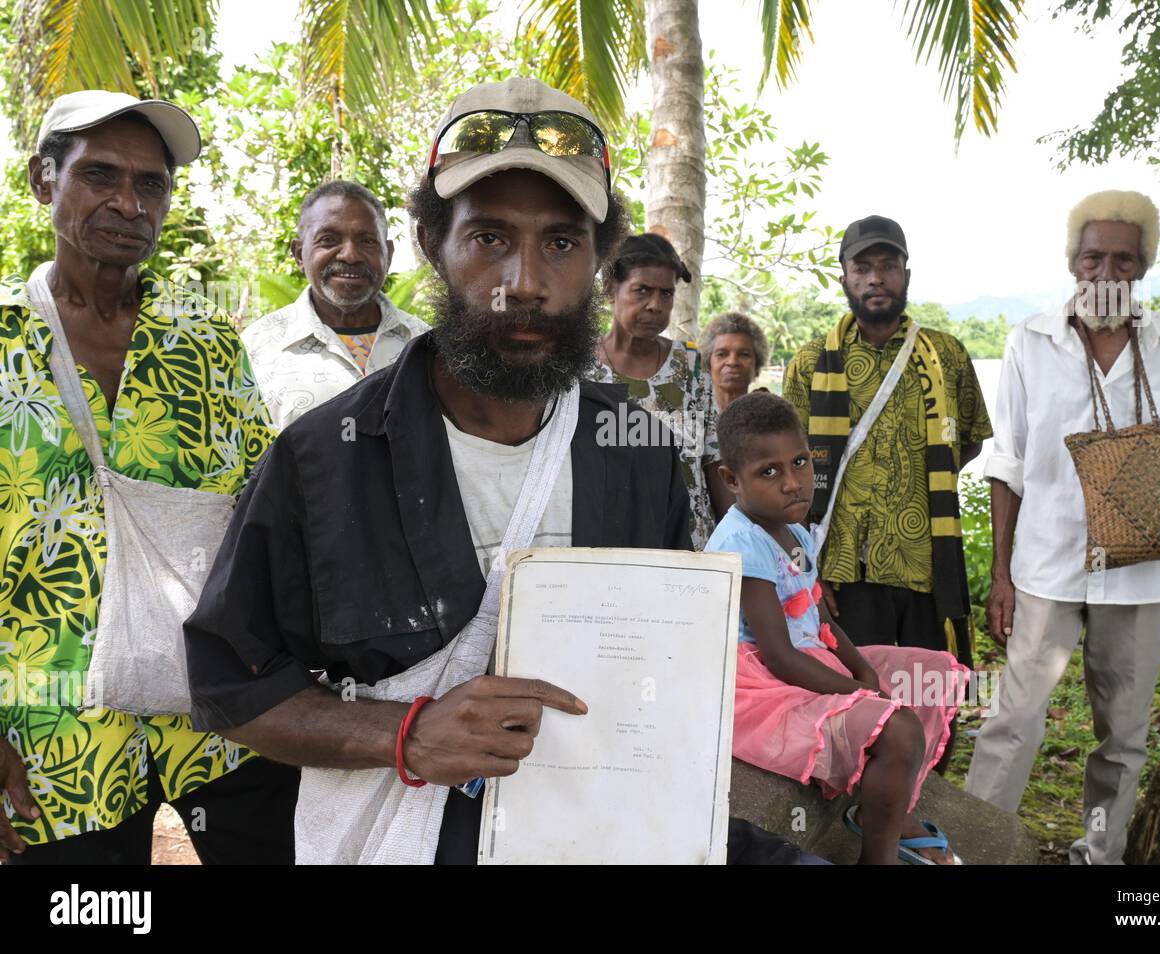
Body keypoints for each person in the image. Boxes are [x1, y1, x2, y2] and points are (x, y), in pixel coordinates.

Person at [181, 78, 705, 864]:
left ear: (598, 260)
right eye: (490, 237)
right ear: (431, 243)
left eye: (561, 242)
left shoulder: (641, 456)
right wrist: (404, 734)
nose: (524, 282)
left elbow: (671, 670)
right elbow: (230, 687)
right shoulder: (322, 458)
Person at [0, 90, 297, 864]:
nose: (129, 203)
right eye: (100, 175)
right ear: (43, 180)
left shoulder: (201, 342)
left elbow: (264, 508)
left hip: (220, 708)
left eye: (152, 184)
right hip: (52, 728)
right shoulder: (3, 343)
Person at [965, 190, 1160, 865]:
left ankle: (1098, 858)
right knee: (1013, 720)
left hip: (1142, 572)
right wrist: (1002, 574)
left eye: (1124, 259)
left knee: (1123, 736)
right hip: (1048, 563)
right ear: (1073, 260)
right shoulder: (1032, 341)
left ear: (1142, 267)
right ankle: (976, 851)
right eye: (1093, 256)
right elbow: (1007, 462)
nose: (1106, 273)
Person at [706, 392, 968, 864]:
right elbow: (781, 656)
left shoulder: (796, 531)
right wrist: (856, 691)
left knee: (932, 676)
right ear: (731, 480)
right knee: (898, 728)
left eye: (800, 462)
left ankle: (882, 811)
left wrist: (862, 668)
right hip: (761, 683)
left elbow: (820, 617)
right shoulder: (741, 545)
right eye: (769, 471)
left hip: (808, 658)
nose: (793, 483)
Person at [783, 215, 992, 668]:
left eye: (888, 265)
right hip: (841, 572)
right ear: (844, 279)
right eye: (862, 268)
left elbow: (968, 443)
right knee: (856, 699)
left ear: (906, 275)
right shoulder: (810, 362)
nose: (875, 278)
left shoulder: (947, 356)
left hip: (927, 565)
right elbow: (791, 473)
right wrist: (807, 570)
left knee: (933, 690)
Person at [242, 180, 427, 429]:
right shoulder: (254, 349)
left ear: (389, 254)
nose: (350, 255)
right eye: (328, 240)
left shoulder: (426, 345)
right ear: (299, 254)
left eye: (367, 241)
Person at [589, 233, 728, 549]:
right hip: (609, 540)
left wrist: (734, 543)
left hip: (690, 541)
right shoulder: (582, 368)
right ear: (611, 290)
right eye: (642, 291)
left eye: (666, 293)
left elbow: (713, 457)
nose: (655, 305)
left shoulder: (688, 364)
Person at [700, 310, 770, 411]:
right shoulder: (687, 417)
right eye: (722, 354)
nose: (732, 362)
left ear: (756, 366)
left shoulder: (771, 417)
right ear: (708, 364)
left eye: (744, 354)